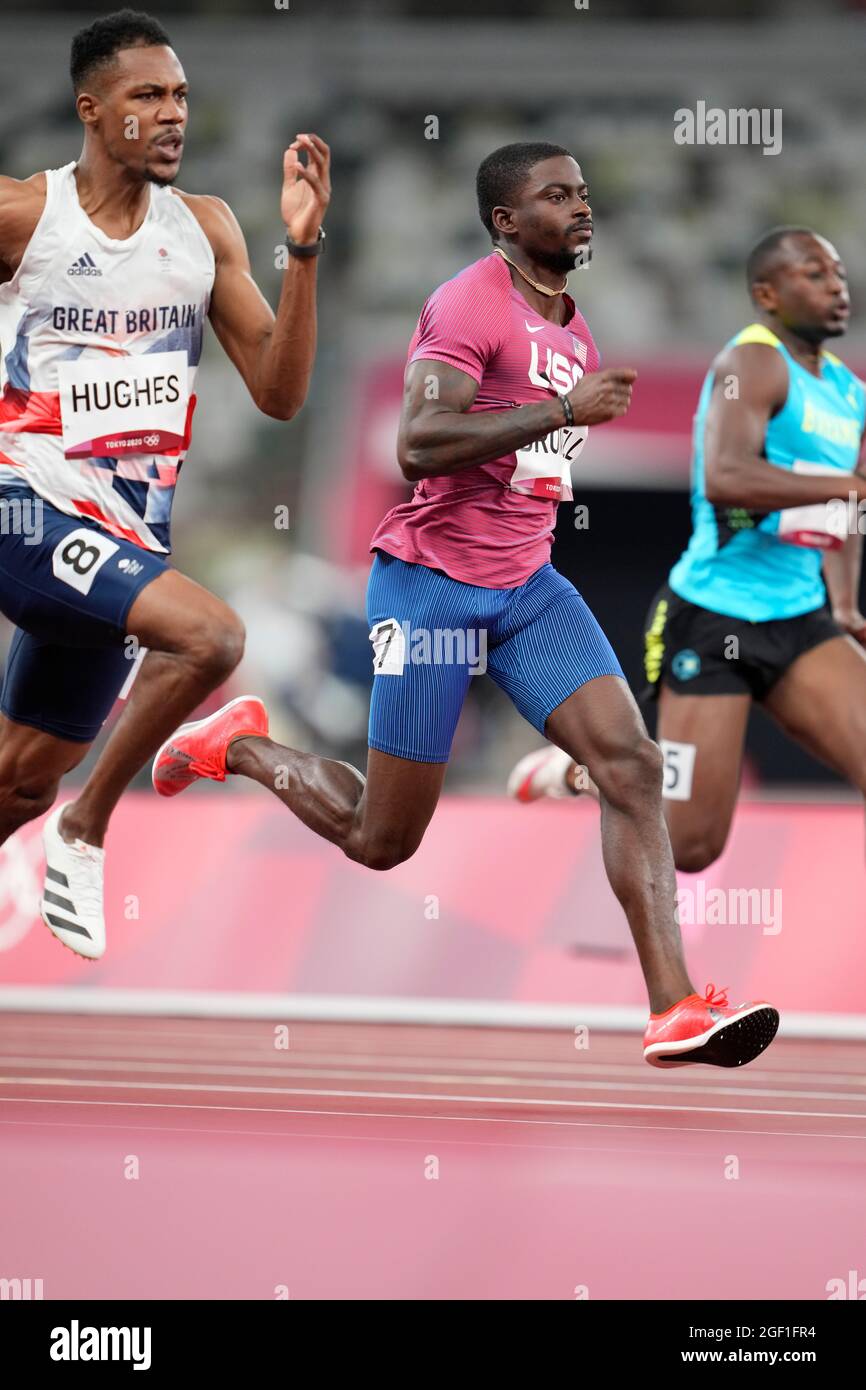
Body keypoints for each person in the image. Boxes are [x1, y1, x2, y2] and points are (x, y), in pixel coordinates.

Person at [154, 142, 778, 1068]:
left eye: (584, 193)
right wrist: (562, 417)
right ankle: (238, 744)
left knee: (632, 767)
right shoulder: (466, 302)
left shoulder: (574, 328)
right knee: (382, 840)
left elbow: (531, 469)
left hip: (528, 589)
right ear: (505, 222)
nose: (581, 207)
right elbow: (418, 441)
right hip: (433, 593)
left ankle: (673, 1007)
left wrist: (557, 437)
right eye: (555, 196)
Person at [0, 9, 330, 957]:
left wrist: (301, 252)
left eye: (181, 95)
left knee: (20, 779)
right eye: (149, 95)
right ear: (92, 109)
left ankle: (53, 811)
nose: (174, 113)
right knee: (213, 637)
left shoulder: (207, 231)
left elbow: (278, 390)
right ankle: (87, 829)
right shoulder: (28, 217)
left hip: (125, 541)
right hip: (24, 509)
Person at [514, 227, 866, 878]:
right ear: (768, 293)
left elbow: (849, 510)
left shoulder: (849, 392)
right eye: (814, 275)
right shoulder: (751, 363)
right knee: (693, 847)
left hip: (800, 619)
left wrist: (843, 602)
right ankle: (586, 771)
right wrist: (850, 484)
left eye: (839, 273)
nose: (836, 287)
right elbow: (727, 477)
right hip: (713, 618)